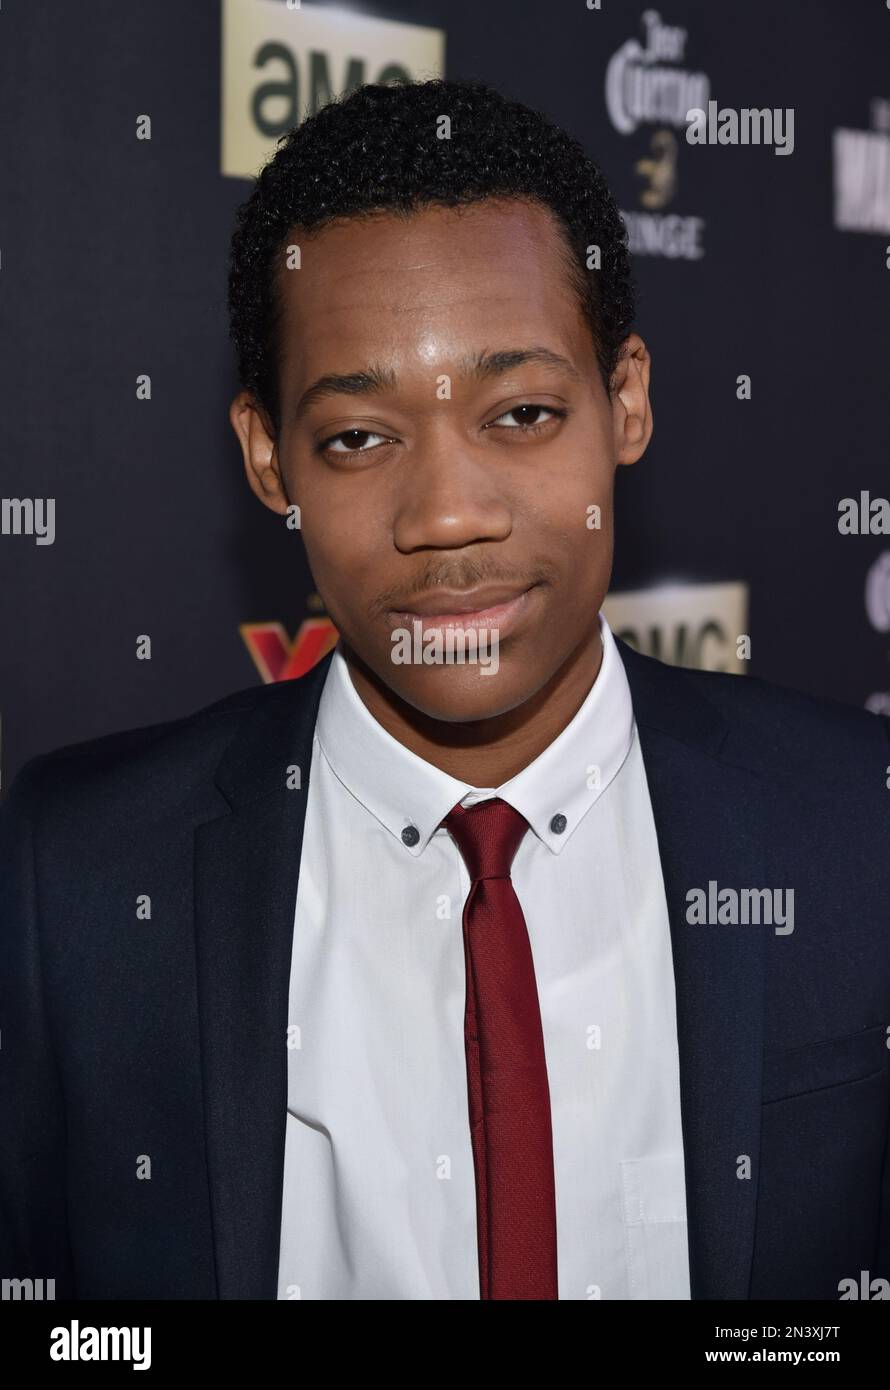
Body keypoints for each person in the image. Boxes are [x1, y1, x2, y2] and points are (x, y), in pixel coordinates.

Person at [1, 78, 888, 1302]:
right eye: (358, 438)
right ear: (267, 457)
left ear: (624, 399)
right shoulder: (78, 876)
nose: (449, 515)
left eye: (521, 413)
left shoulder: (858, 828)